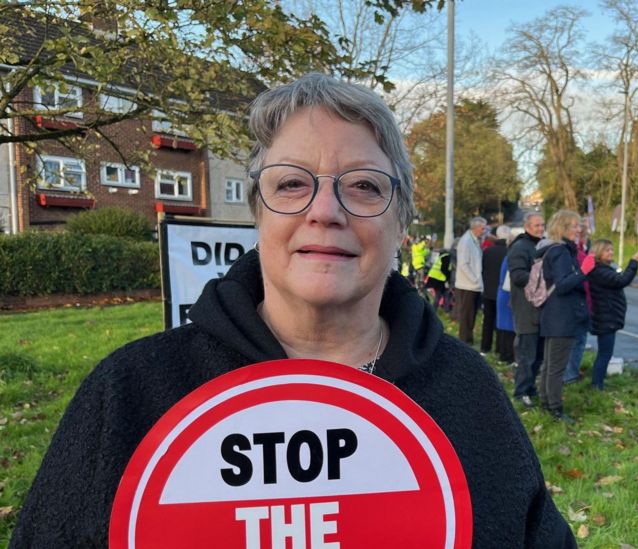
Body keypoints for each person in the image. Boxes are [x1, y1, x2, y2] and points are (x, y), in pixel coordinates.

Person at [10, 72, 575, 548]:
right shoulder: (131, 392)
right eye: (291, 184)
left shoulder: (467, 391)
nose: (325, 210)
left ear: (401, 221)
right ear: (259, 213)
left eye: (363, 186)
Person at [538, 210, 591, 423]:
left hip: (554, 316)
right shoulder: (560, 252)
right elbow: (562, 285)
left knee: (550, 364)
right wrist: (583, 271)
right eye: (575, 226)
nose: (579, 230)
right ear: (564, 228)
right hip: (562, 317)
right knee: (556, 366)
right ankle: (555, 409)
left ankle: (545, 403)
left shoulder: (555, 250)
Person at [585, 239, 638, 390]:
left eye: (611, 249)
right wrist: (633, 263)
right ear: (599, 253)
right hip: (605, 317)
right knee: (604, 354)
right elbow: (621, 280)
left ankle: (598, 382)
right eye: (607, 250)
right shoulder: (599, 271)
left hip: (607, 316)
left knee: (605, 353)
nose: (611, 252)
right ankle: (597, 385)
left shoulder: (603, 269)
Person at [508, 212, 546, 408]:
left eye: (542, 225)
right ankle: (521, 392)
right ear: (527, 226)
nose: (540, 228)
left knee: (538, 355)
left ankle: (530, 389)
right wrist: (540, 274)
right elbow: (518, 277)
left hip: (539, 311)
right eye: (536, 225)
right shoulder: (520, 248)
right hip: (525, 310)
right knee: (526, 355)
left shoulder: (539, 246)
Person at [563, 221, 592, 384]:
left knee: (578, 342)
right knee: (576, 342)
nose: (579, 233)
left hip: (583, 303)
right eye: (577, 230)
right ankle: (569, 375)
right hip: (577, 305)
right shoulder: (574, 254)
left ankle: (571, 373)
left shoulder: (580, 251)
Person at [455, 216, 486, 345]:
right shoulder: (466, 241)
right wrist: (475, 279)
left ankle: (468, 338)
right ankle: (464, 340)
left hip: (472, 285)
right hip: (467, 285)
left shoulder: (473, 240)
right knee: (466, 315)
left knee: (471, 315)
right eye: (482, 228)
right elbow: (463, 264)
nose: (484, 231)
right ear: (476, 228)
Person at [481, 226, 509, 354]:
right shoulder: (509, 252)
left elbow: (483, 269)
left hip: (488, 290)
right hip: (502, 290)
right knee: (500, 322)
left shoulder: (488, 251)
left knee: (487, 320)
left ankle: (485, 347)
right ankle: (499, 348)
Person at [425, 245, 453, 311]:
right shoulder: (446, 257)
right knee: (439, 294)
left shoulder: (442, 256)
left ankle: (445, 310)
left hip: (435, 278)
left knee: (444, 294)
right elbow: (444, 269)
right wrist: (448, 278)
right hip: (438, 279)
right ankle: (434, 310)